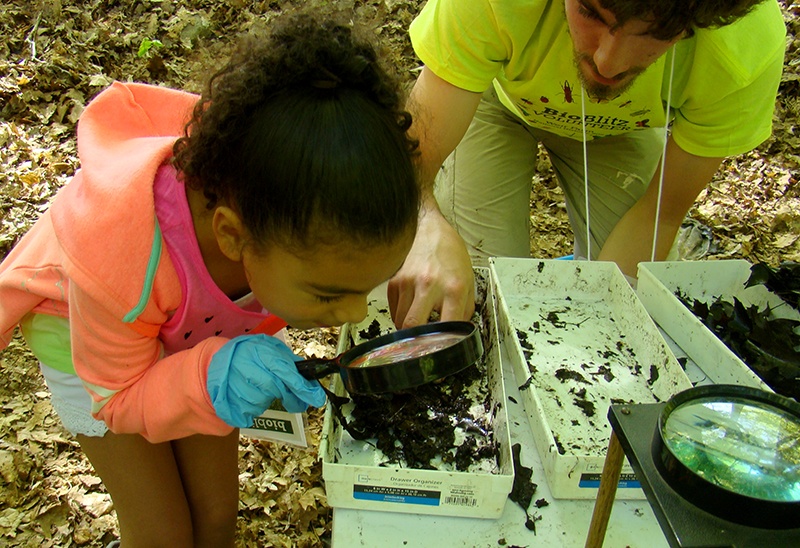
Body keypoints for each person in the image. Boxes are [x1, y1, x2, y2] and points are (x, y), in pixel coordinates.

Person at [0, 12, 419, 547]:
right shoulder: (121, 264)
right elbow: (120, 399)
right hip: (87, 335)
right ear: (232, 235)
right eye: (329, 294)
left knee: (216, 512)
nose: (354, 314)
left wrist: (211, 372)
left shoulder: (276, 222)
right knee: (163, 532)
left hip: (186, 320)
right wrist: (211, 377)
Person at [387, 0, 786, 329]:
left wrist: (605, 322)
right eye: (591, 13)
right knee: (479, 291)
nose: (607, 62)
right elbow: (414, 175)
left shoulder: (742, 48)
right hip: (490, 99)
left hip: (623, 125)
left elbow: (660, 215)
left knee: (641, 301)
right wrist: (425, 222)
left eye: (655, 34)